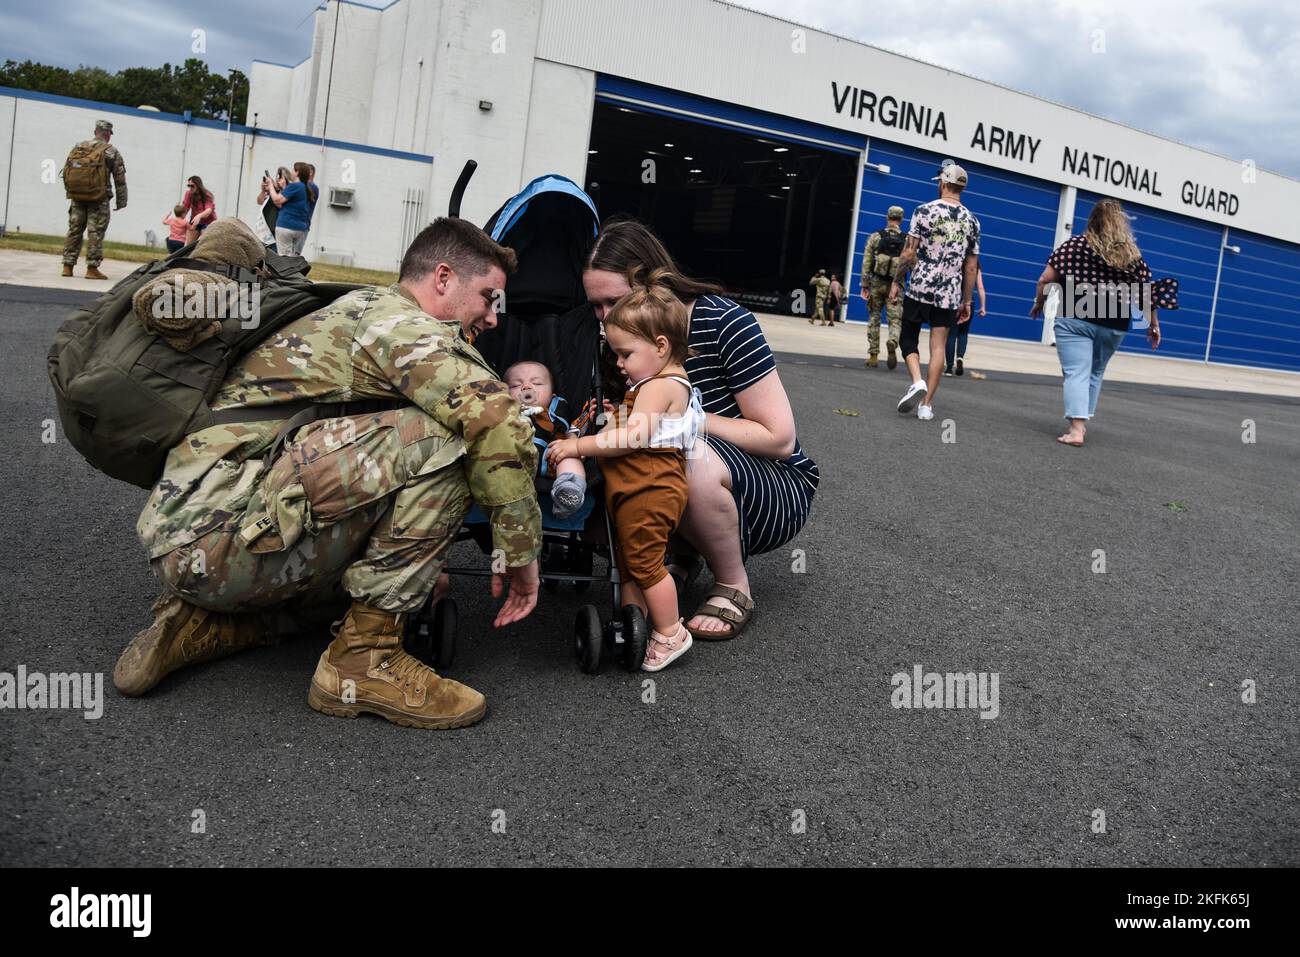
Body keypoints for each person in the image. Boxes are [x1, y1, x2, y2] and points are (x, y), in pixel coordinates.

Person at [113, 217, 541, 730]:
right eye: (489, 297)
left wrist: (416, 566)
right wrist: (520, 554)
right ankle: (363, 660)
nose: (494, 318)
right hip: (218, 533)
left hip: (198, 536)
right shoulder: (394, 322)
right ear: (444, 278)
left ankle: (215, 622)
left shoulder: (359, 313)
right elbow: (497, 418)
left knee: (395, 553)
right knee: (451, 437)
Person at [583, 220, 819, 640]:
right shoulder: (621, 339)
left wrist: (688, 420)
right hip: (693, 474)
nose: (604, 319)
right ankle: (679, 553)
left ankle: (733, 583)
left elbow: (779, 439)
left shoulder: (724, 322)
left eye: (613, 302)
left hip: (771, 483)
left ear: (647, 282)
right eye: (595, 307)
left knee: (685, 454)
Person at [547, 277, 703, 671]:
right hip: (639, 486)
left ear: (661, 346)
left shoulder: (659, 386)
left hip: (649, 486)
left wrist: (578, 447)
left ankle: (671, 632)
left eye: (626, 353)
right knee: (633, 560)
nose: (618, 363)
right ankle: (634, 621)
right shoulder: (659, 383)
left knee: (648, 563)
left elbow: (633, 437)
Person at [1030, 198, 1163, 446]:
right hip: (1115, 322)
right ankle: (1083, 422)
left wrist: (1040, 303)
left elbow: (1044, 279)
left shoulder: (1075, 246)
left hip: (1076, 317)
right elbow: (1147, 294)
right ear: (1120, 225)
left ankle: (1076, 430)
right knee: (1095, 372)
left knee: (1076, 372)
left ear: (1092, 222)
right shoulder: (1132, 255)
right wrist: (1153, 325)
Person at [891, 160, 981, 421]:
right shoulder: (973, 221)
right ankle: (927, 405)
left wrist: (897, 281)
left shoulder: (923, 211)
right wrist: (967, 301)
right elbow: (971, 267)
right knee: (939, 347)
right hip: (949, 294)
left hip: (920, 287)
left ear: (942, 183)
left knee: (908, 337)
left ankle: (917, 380)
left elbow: (909, 252)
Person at [503, 360, 588, 518]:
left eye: (537, 383)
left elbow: (569, 431)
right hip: (514, 461)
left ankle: (569, 489)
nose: (526, 387)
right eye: (515, 385)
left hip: (551, 457)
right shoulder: (503, 411)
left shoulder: (556, 410)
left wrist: (575, 445)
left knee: (570, 455)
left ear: (552, 394)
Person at [61, 119, 127, 280]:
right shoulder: (111, 151)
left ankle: (67, 266)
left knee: (74, 230)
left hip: (77, 196)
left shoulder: (79, 147)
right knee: (95, 232)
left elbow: (66, 171)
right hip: (99, 198)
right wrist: (121, 201)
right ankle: (92, 268)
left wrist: (71, 191)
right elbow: (120, 178)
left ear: (95, 131)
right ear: (108, 134)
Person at [861, 205, 907, 368]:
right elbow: (913, 264)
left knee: (874, 316)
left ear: (887, 217)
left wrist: (865, 284)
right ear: (901, 219)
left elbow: (867, 262)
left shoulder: (875, 237)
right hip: (896, 286)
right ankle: (893, 341)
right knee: (895, 319)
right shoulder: (906, 239)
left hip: (877, 284)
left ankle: (873, 356)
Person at [265, 162, 320, 256]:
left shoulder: (295, 186)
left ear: (298, 172)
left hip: (286, 225)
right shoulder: (306, 188)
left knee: (284, 259)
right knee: (293, 257)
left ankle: (286, 270)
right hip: (300, 228)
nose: (291, 172)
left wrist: (270, 186)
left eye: (293, 170)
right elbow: (285, 205)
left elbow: (277, 200)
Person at [944, 264, 986, 376]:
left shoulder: (955, 260)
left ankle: (948, 368)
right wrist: (983, 306)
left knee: (951, 334)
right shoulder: (975, 265)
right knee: (963, 332)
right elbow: (980, 287)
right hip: (969, 302)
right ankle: (960, 358)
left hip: (954, 301)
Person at [254, 166, 292, 248]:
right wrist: (263, 190)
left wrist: (272, 188)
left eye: (280, 178)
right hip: (265, 230)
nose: (278, 180)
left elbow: (279, 204)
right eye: (277, 178)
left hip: (276, 230)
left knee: (275, 256)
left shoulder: (286, 192)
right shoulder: (273, 191)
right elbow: (259, 201)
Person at [180, 175, 217, 242]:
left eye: (192, 186)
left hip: (208, 222)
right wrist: (179, 219)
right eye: (189, 186)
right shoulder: (188, 194)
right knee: (189, 246)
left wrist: (199, 216)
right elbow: (185, 208)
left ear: (198, 185)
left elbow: (209, 210)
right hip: (195, 221)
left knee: (204, 244)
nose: (190, 188)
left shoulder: (207, 194)